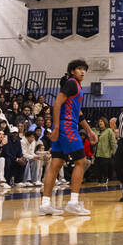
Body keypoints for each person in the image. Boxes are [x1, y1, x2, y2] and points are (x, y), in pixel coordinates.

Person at [40, 60, 96, 216]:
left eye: (84, 69)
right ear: (72, 71)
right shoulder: (72, 84)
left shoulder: (76, 87)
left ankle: (45, 204)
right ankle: (73, 202)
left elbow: (79, 114)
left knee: (56, 164)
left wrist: (89, 131)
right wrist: (57, 127)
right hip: (67, 127)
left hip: (66, 126)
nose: (82, 72)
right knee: (81, 161)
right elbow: (57, 104)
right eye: (79, 69)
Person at [94, 117, 117, 183]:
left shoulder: (109, 131)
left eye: (101, 121)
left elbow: (113, 143)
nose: (100, 122)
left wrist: (114, 153)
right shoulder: (96, 131)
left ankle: (106, 179)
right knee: (98, 171)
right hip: (97, 154)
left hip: (105, 154)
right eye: (99, 121)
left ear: (105, 122)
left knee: (105, 170)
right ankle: (99, 181)